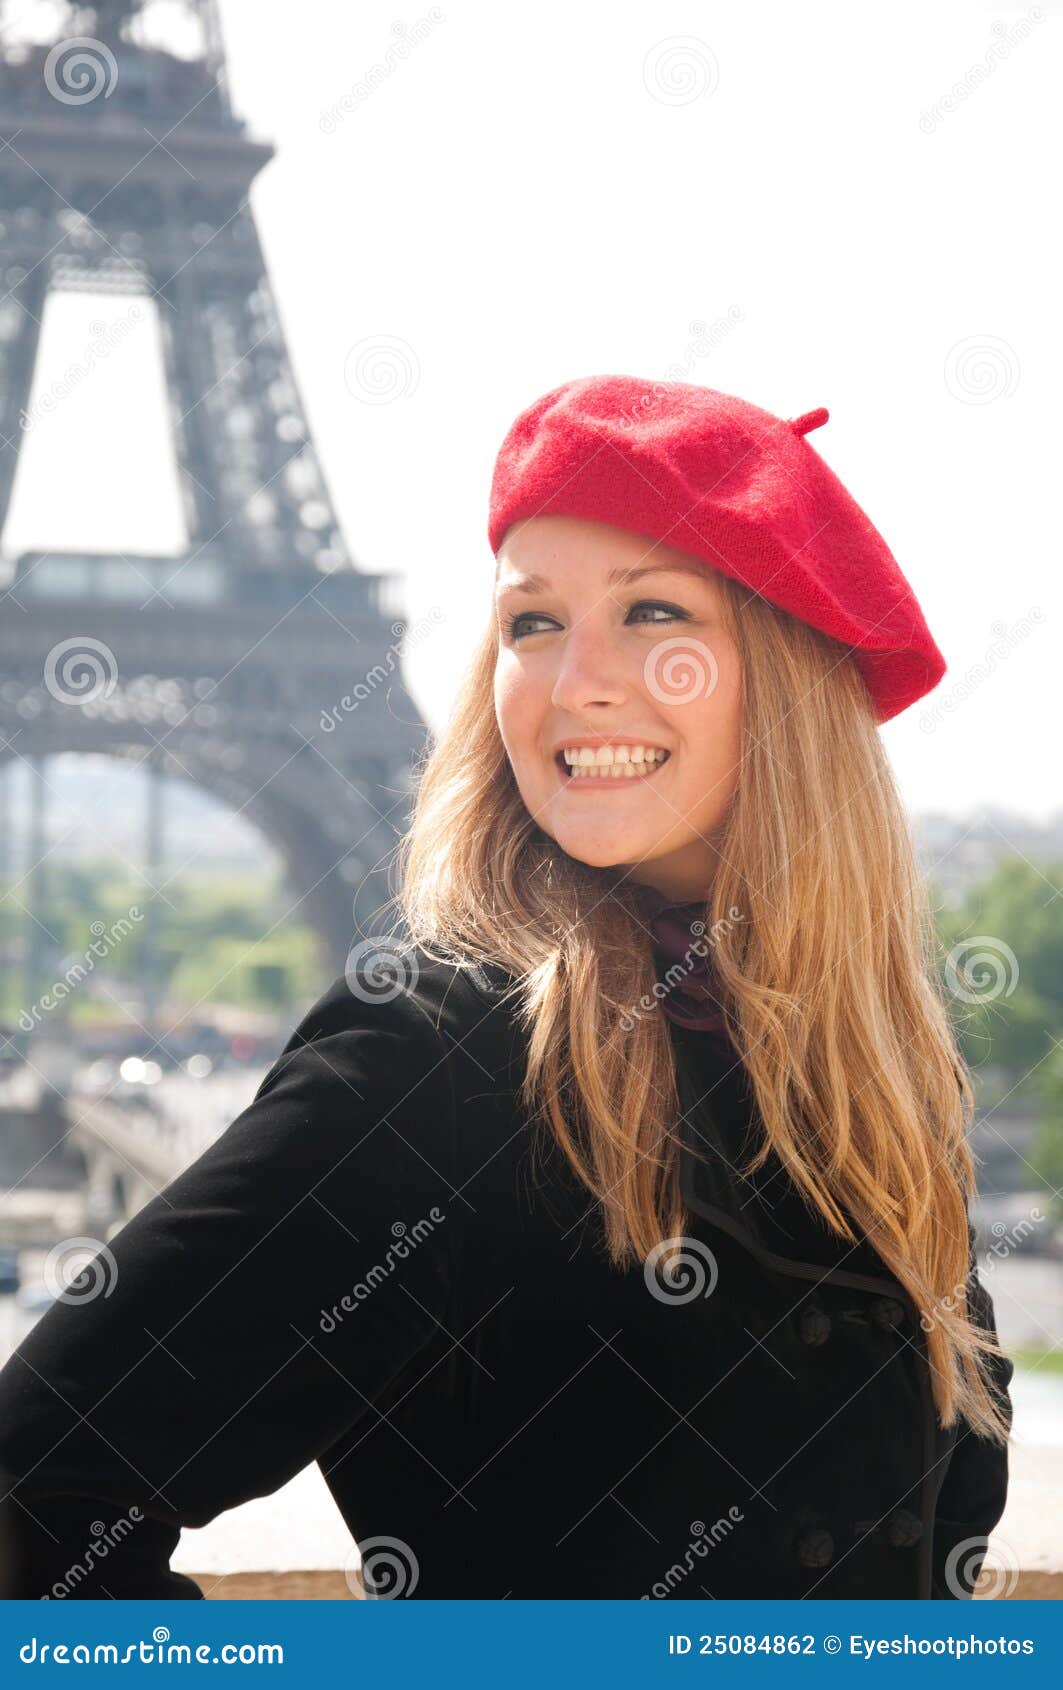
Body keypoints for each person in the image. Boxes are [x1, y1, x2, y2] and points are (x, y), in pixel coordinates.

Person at [0, 374, 1012, 1601]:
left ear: (791, 675)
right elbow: (31, 1490)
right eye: (531, 622)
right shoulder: (436, 1060)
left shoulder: (869, 1074)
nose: (575, 679)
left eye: (651, 610)